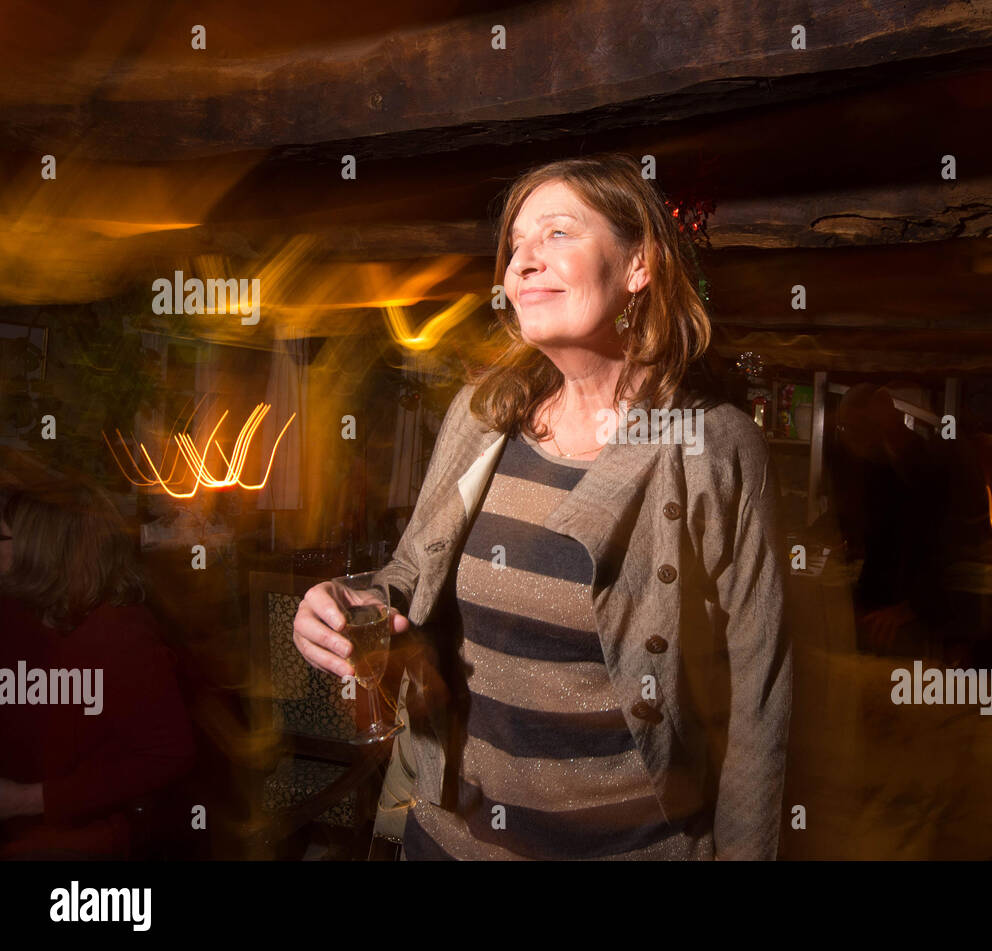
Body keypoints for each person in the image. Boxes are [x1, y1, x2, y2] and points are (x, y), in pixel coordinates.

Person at [293, 152, 792, 860]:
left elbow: (759, 692)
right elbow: (411, 574)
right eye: (516, 245)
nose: (523, 261)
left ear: (639, 265)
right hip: (454, 842)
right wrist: (349, 604)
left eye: (557, 233)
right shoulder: (483, 415)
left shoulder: (713, 446)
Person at [0, 476, 195, 859]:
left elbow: (169, 755)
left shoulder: (118, 635)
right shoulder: (15, 613)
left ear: (39, 552)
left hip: (73, 834)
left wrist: (26, 800)